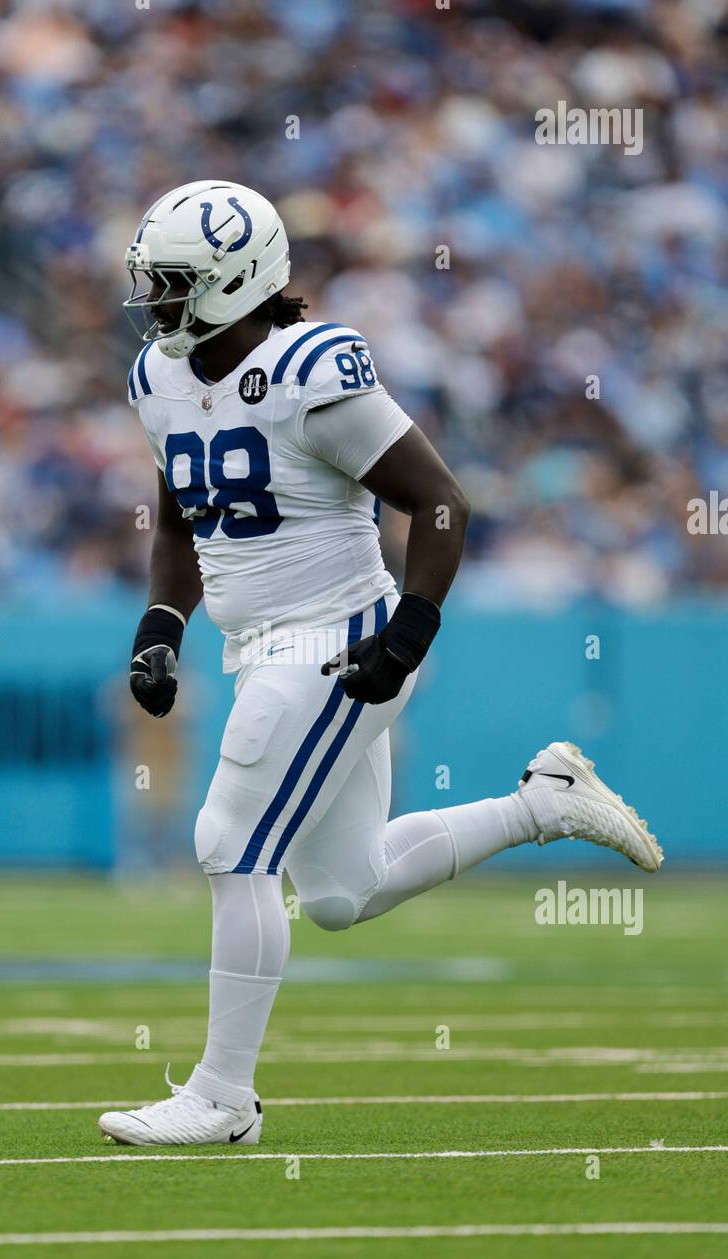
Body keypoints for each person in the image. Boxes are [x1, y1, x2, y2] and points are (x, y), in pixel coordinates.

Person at [99, 181, 662, 1147]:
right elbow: (185, 515)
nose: (157, 302)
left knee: (228, 839)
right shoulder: (160, 376)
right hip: (257, 642)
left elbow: (439, 500)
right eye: (153, 282)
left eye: (177, 283)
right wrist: (160, 623)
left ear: (235, 280)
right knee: (339, 893)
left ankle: (222, 1097)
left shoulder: (310, 369)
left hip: (334, 636)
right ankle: (543, 800)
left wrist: (408, 632)